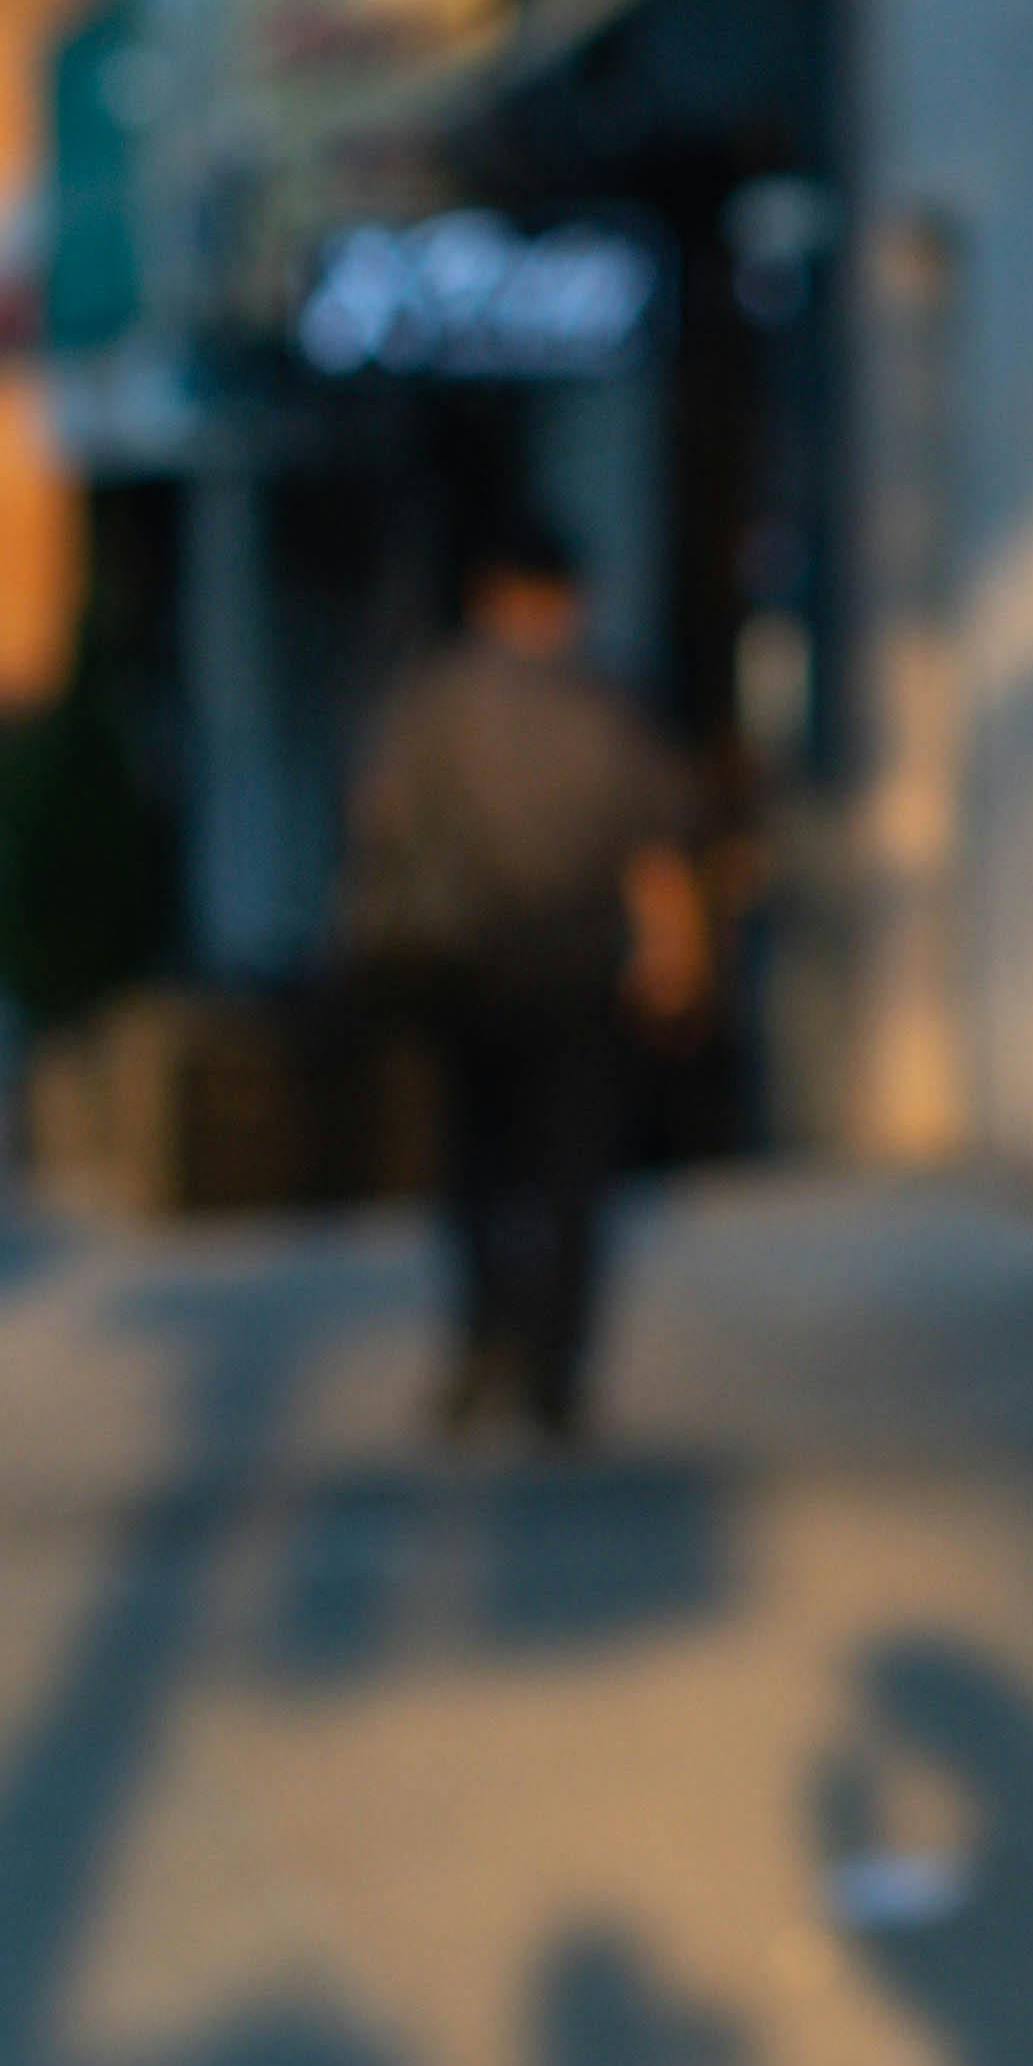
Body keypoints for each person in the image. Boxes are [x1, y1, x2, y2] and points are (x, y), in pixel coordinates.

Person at [341, 525, 706, 1442]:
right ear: (567, 599)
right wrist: (674, 953)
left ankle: (483, 1342)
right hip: (579, 962)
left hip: (466, 960)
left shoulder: (436, 699)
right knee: (573, 1171)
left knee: (478, 1161)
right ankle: (556, 1370)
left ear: (489, 595)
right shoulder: (606, 698)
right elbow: (657, 843)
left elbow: (380, 822)